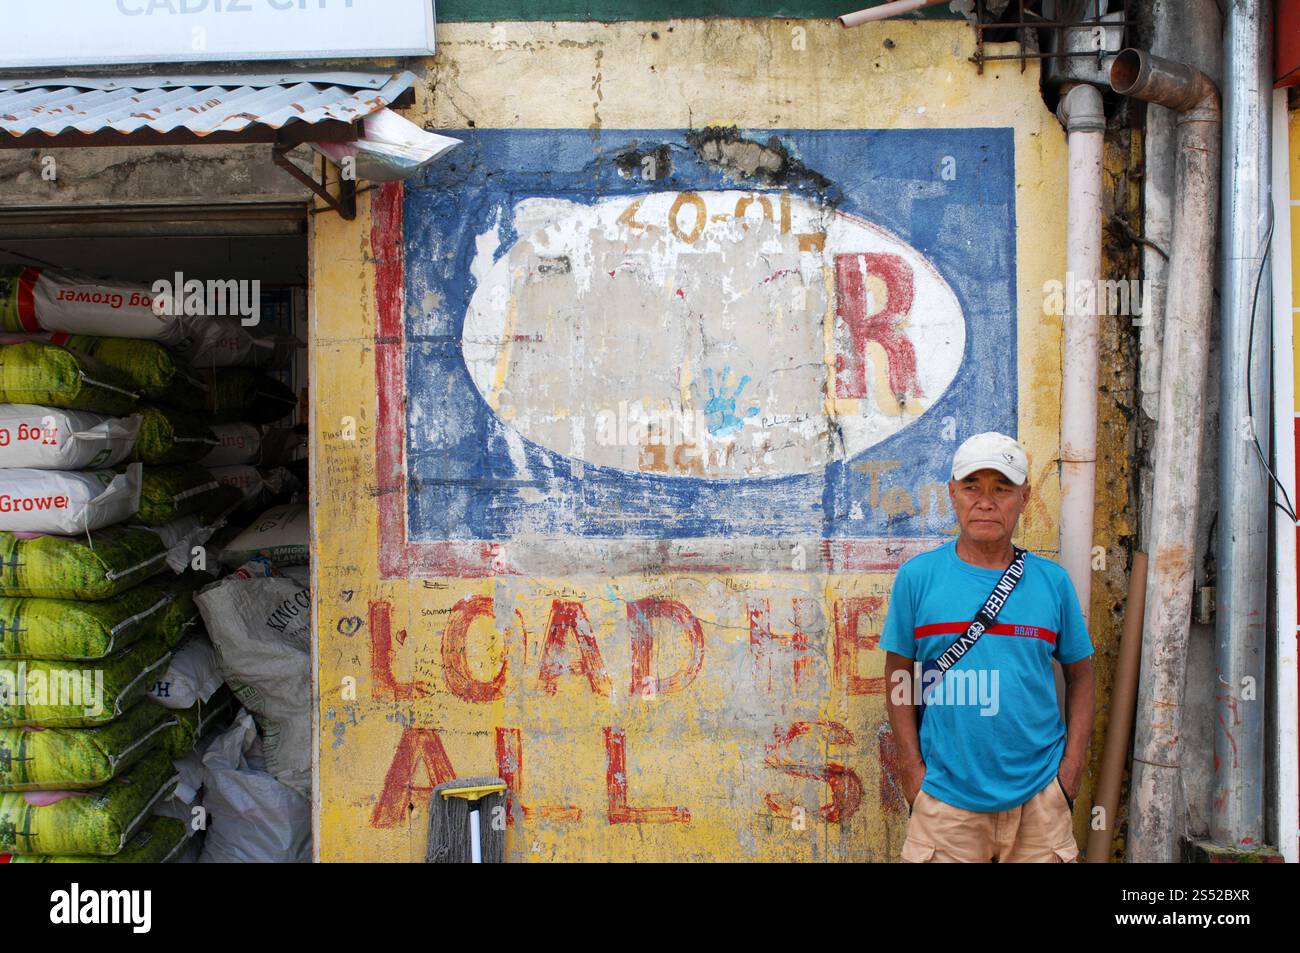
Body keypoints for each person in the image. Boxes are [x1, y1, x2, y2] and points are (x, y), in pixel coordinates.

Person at [881, 431, 1095, 862]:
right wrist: (912, 774)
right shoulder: (917, 578)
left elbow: (1082, 677)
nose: (986, 501)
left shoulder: (1052, 582)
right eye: (972, 487)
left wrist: (1068, 775)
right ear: (952, 494)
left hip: (1040, 799)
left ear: (1025, 497)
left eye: (1002, 488)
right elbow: (899, 678)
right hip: (944, 801)